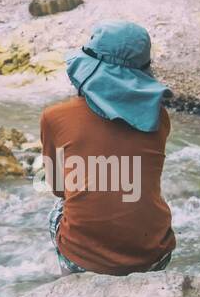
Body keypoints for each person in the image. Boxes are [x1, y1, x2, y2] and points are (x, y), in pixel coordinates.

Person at [40, 20, 175, 275]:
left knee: (57, 210)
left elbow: (59, 188)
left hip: (85, 261)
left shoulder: (54, 117)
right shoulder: (159, 117)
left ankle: (74, 290)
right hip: (154, 256)